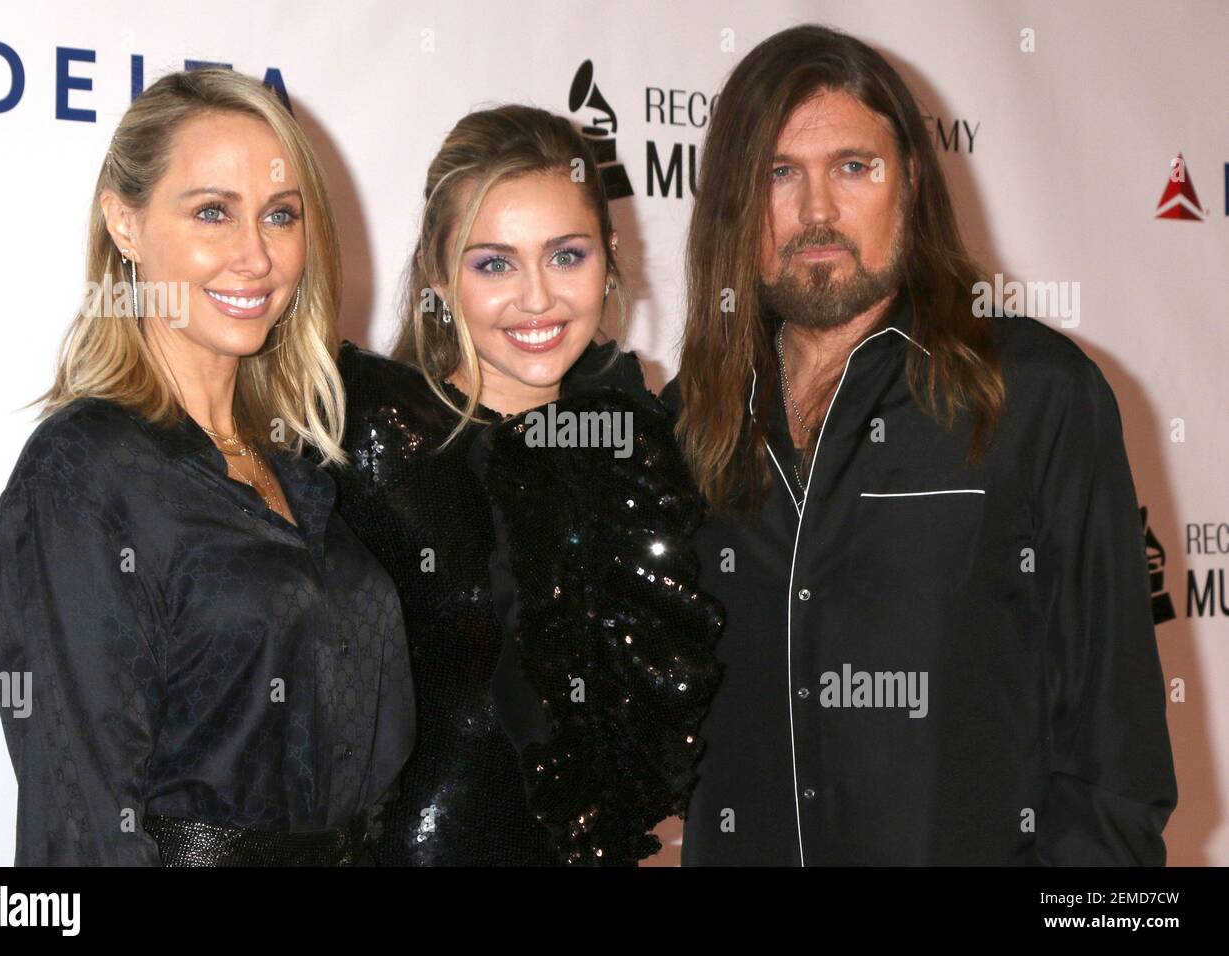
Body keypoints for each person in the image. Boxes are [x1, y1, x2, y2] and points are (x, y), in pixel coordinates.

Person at [662, 25, 1177, 865]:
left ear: (912, 185)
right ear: (733, 204)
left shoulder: (1034, 394)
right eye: (777, 174)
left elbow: (1114, 766)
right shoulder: (691, 420)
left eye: (854, 168)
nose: (817, 211)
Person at [0, 69, 414, 866]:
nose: (255, 254)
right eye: (213, 211)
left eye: (280, 215)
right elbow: (80, 828)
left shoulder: (301, 464)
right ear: (125, 223)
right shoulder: (84, 473)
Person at [328, 104, 722, 865]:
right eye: (495, 263)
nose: (537, 299)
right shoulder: (371, 433)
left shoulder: (638, 443)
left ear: (609, 256)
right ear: (440, 277)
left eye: (566, 256)